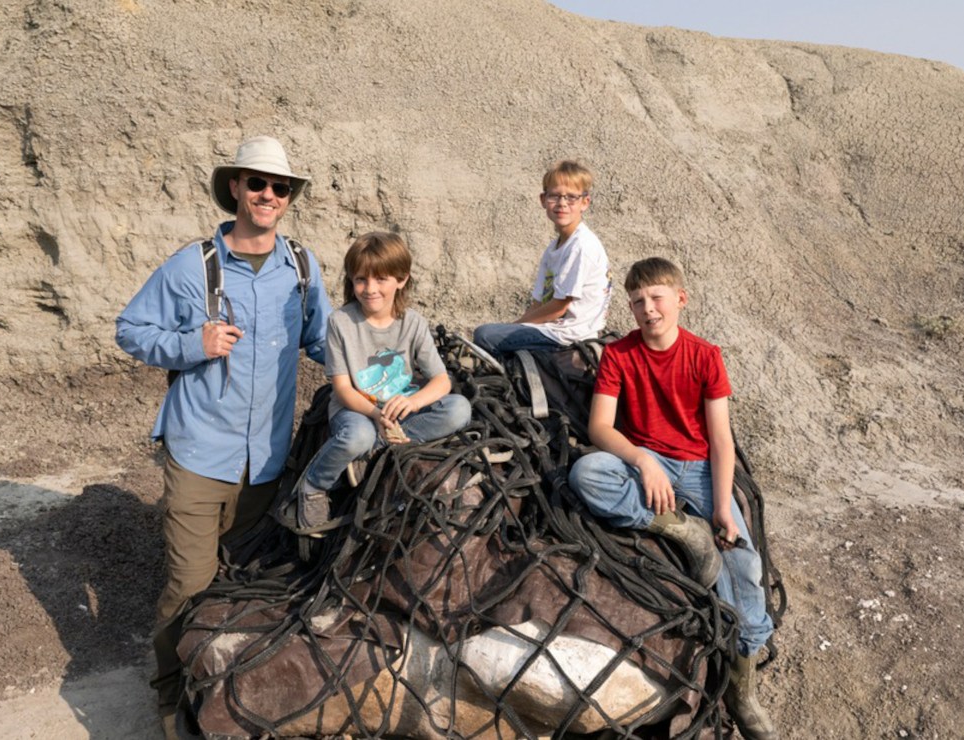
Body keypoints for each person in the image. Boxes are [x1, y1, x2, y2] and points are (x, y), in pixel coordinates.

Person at [115, 136, 331, 738]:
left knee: (244, 582)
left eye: (279, 187)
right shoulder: (191, 266)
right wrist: (192, 345)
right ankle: (168, 696)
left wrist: (387, 373)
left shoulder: (303, 269)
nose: (267, 195)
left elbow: (324, 343)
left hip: (265, 461)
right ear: (234, 186)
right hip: (199, 454)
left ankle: (225, 689)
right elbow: (130, 329)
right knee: (189, 585)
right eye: (256, 183)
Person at [567, 257, 776, 740]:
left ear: (680, 299)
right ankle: (680, 529)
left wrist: (722, 505)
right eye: (638, 301)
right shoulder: (620, 356)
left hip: (699, 469)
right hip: (646, 461)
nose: (648, 309)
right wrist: (642, 459)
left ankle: (743, 693)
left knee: (744, 565)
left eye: (657, 298)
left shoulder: (705, 355)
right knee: (587, 473)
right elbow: (600, 427)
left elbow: (721, 440)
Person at [297, 231, 471, 495]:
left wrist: (413, 402)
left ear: (401, 280)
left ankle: (378, 448)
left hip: (400, 409)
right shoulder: (340, 322)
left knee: (459, 409)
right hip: (357, 409)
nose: (370, 289)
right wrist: (376, 415)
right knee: (358, 437)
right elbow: (343, 389)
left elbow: (441, 380)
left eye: (381, 279)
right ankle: (312, 486)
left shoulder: (413, 323)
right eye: (361, 280)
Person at [472, 160, 611, 356]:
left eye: (571, 197)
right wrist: (511, 328)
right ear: (543, 200)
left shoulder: (581, 246)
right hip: (552, 329)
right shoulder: (554, 248)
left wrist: (512, 328)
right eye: (555, 196)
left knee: (485, 335)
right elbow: (539, 303)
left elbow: (559, 308)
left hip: (569, 334)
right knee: (492, 333)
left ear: (584, 203)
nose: (562, 203)